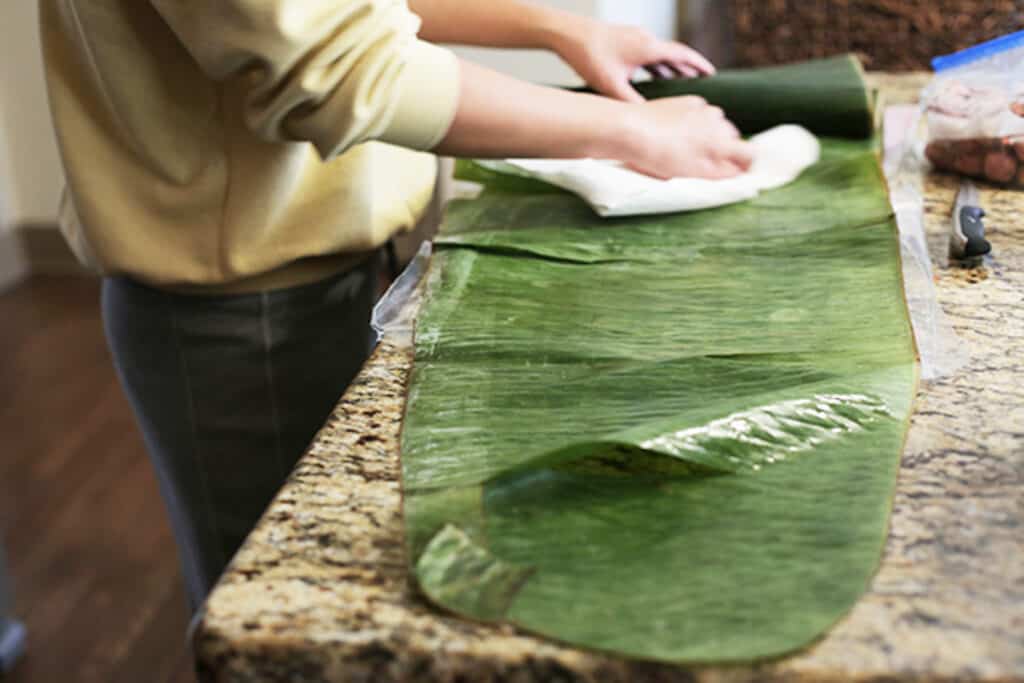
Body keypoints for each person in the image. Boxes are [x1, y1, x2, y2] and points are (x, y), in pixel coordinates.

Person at [39, 0, 753, 611]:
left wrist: (552, 27)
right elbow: (339, 71)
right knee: (291, 611)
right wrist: (631, 130)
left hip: (328, 268)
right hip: (248, 305)